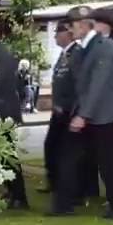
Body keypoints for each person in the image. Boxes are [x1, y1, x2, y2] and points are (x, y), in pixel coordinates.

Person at [50, 6, 113, 219]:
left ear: (85, 25)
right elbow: (77, 85)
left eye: (73, 25)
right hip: (85, 114)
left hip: (102, 116)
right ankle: (64, 203)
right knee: (69, 158)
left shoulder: (104, 48)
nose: (70, 29)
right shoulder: (82, 50)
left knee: (109, 162)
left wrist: (83, 115)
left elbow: (98, 84)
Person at [0, 19, 29, 209]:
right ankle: (13, 192)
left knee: (7, 154)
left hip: (2, 111)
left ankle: (19, 196)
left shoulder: (0, 53)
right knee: (2, 154)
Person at [42, 21, 78, 195]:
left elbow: (76, 85)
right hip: (59, 111)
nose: (56, 36)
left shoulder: (75, 54)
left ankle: (66, 186)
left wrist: (67, 107)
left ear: (68, 33)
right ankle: (54, 182)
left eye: (59, 32)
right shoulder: (64, 55)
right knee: (51, 146)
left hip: (68, 111)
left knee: (64, 149)